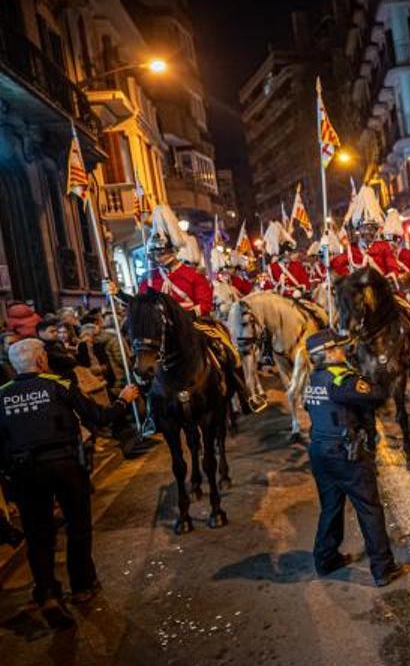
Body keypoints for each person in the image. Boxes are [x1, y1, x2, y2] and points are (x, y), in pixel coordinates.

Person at [0, 338, 139, 627]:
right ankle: (82, 586)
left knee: (38, 535)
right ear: (41, 361)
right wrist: (124, 400)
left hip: (24, 471)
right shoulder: (58, 385)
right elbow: (98, 417)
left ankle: (48, 592)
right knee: (78, 526)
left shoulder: (2, 394)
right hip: (64, 465)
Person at [138, 204, 265, 414]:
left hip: (193, 324)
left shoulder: (193, 276)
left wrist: (187, 314)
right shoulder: (149, 280)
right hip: (161, 333)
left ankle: (244, 395)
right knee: (142, 365)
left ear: (172, 252)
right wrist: (116, 294)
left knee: (229, 352)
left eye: (161, 252)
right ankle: (151, 413)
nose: (158, 257)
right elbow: (141, 305)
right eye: (156, 254)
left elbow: (205, 305)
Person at [302, 329, 401, 586]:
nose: (344, 350)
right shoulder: (343, 380)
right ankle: (383, 568)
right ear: (329, 352)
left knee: (331, 507)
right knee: (369, 508)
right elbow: (377, 396)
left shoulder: (313, 378)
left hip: (320, 451)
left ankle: (325, 559)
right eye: (339, 348)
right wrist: (378, 372)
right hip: (346, 453)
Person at [331, 186, 408, 287]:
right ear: (359, 230)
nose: (368, 231)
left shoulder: (383, 246)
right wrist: (348, 277)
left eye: (372, 228)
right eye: (365, 228)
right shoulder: (353, 249)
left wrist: (392, 274)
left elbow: (391, 264)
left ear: (376, 230)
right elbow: (336, 264)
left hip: (381, 287)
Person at [381, 208, 410, 277]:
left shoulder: (407, 254)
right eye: (388, 239)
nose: (390, 242)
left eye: (394, 238)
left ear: (399, 239)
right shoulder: (383, 255)